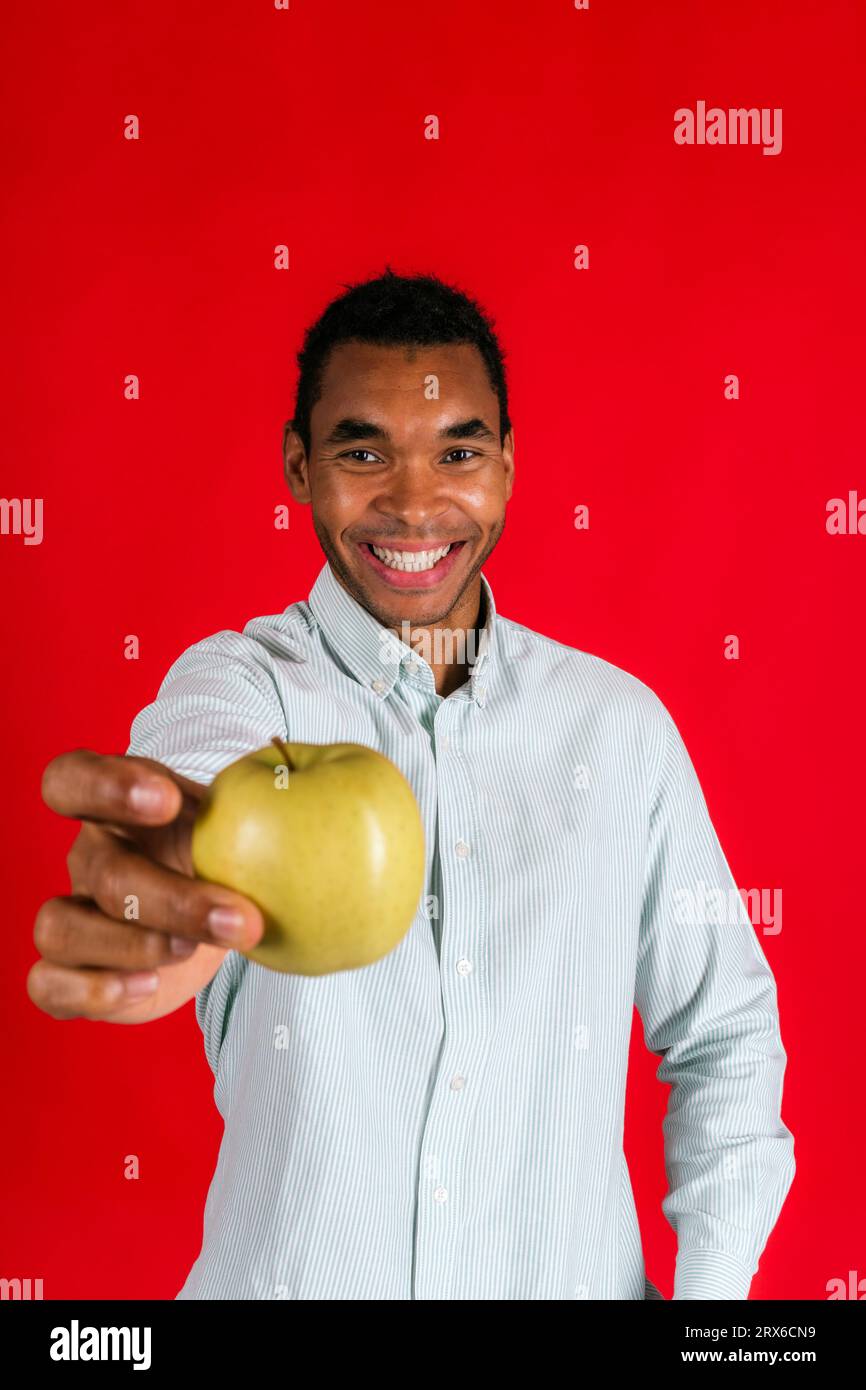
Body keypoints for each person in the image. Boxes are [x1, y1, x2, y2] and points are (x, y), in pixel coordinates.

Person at [30, 267, 796, 1300]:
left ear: (509, 467)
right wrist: (161, 873)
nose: (414, 502)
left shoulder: (615, 731)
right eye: (361, 451)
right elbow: (191, 778)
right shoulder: (239, 689)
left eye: (458, 452)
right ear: (298, 466)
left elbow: (723, 1034)